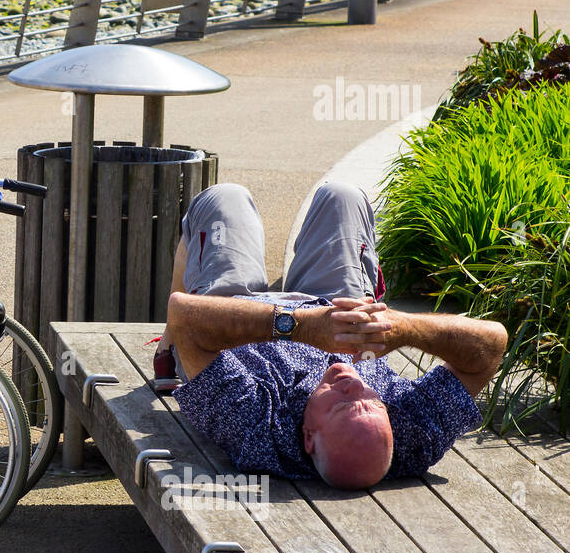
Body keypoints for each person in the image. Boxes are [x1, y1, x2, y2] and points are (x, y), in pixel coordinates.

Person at [157, 181, 508, 490]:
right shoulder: (412, 436)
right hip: (337, 306)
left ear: (308, 437)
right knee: (343, 196)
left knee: (224, 199)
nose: (354, 385)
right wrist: (403, 329)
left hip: (235, 319)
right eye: (373, 402)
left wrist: (300, 326)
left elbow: (185, 314)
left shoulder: (257, 427)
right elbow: (491, 343)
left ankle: (168, 350)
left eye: (342, 404)